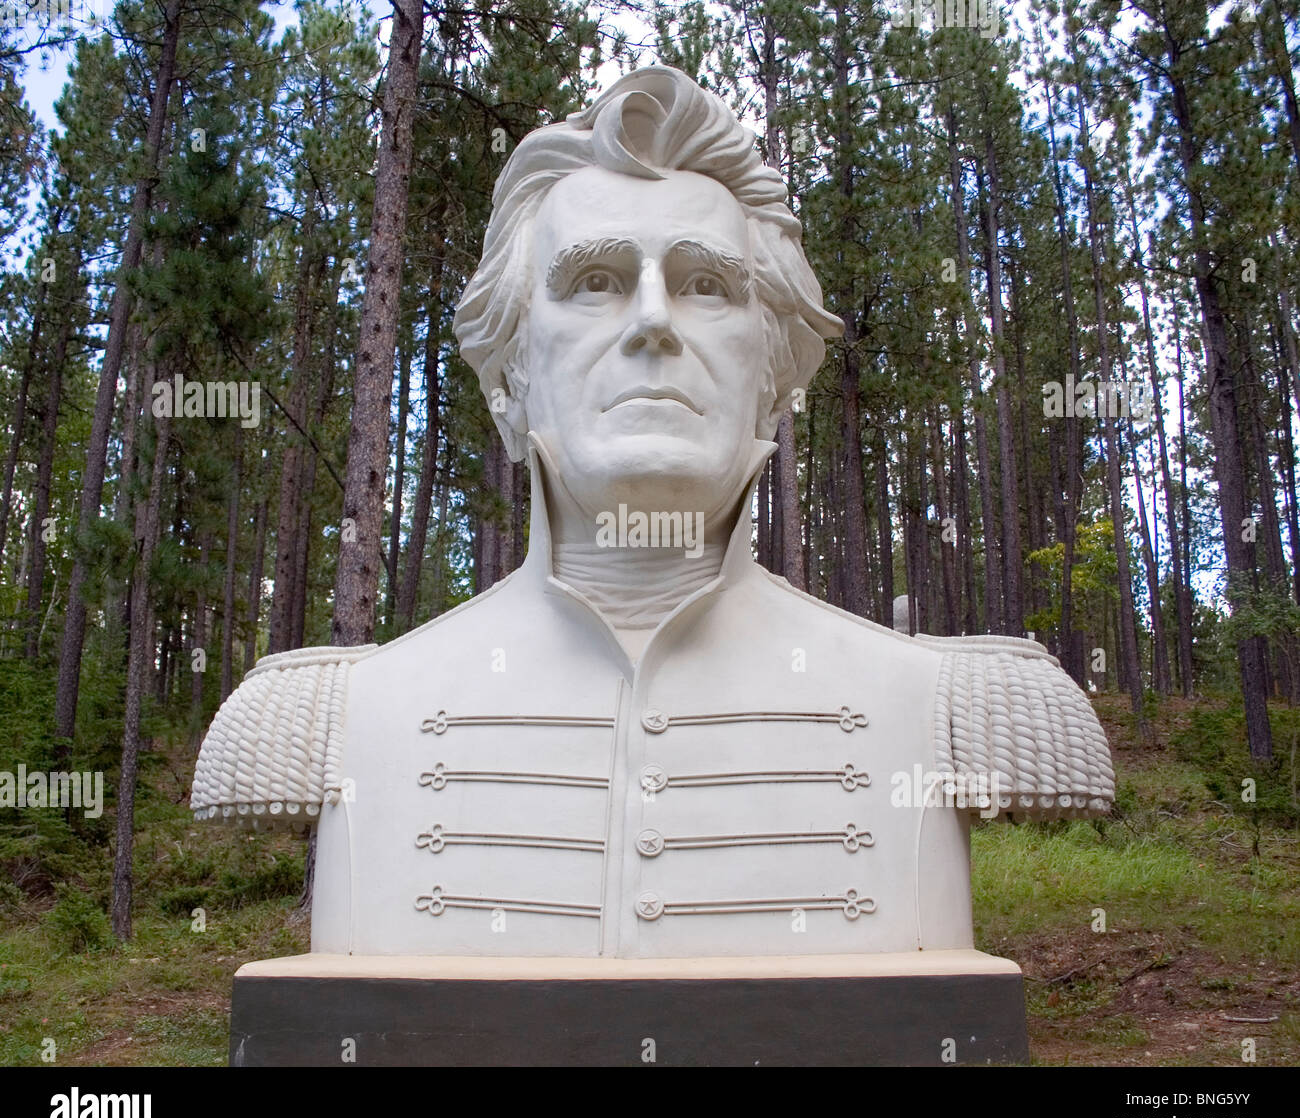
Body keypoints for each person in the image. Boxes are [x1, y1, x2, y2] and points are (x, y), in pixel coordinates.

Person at [192, 66, 1112, 960]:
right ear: (510, 380)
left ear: (772, 380)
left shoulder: (957, 705)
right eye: (593, 280)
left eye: (706, 283)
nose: (652, 320)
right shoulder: (336, 715)